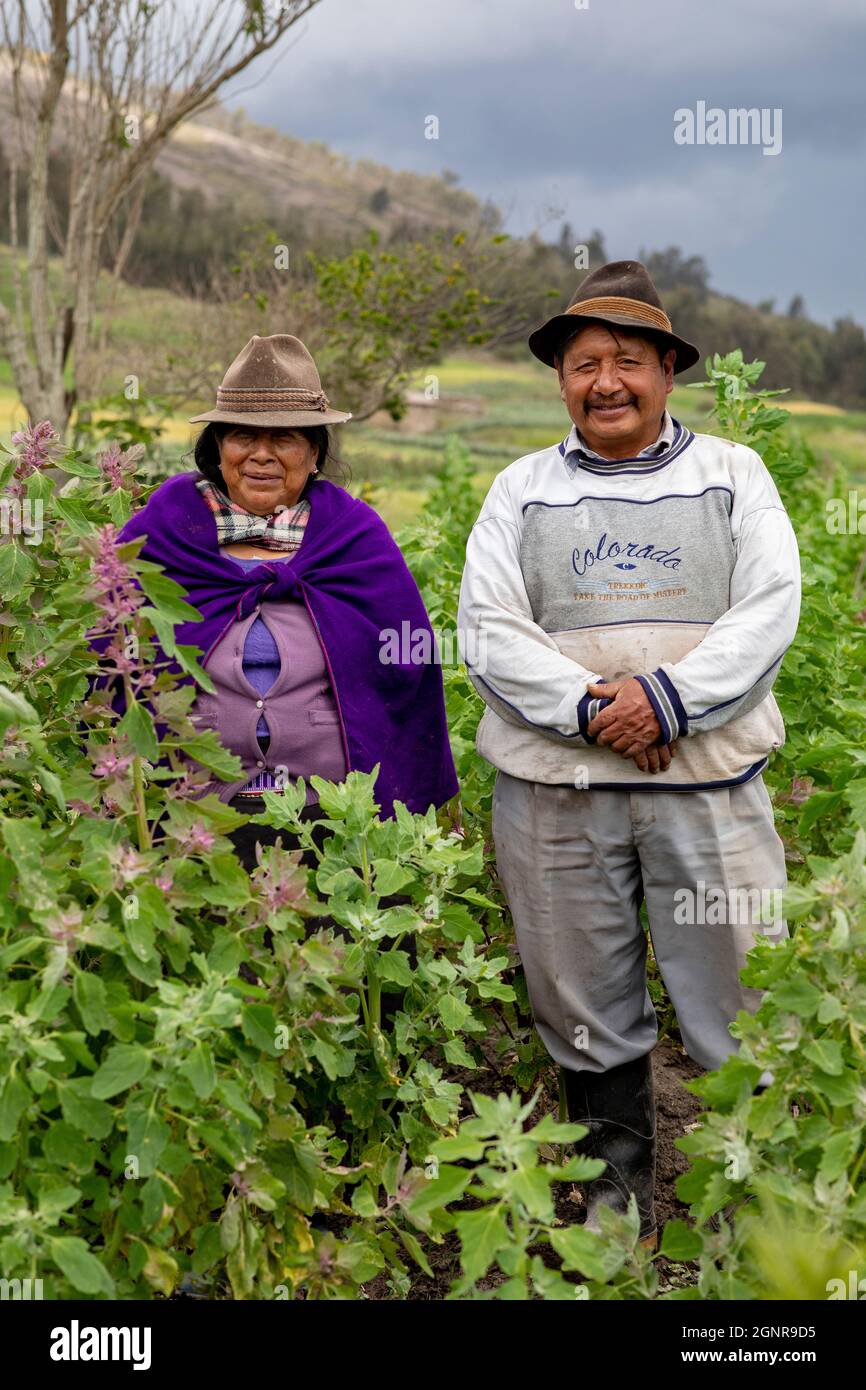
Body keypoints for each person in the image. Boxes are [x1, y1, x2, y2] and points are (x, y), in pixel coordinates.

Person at [457, 261, 801, 1247]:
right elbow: (485, 628)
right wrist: (592, 708)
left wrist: (664, 701)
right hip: (556, 790)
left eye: (624, 362)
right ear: (559, 381)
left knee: (740, 991)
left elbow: (766, 610)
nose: (603, 382)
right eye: (581, 365)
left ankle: (754, 1212)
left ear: (665, 371)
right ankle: (615, 1209)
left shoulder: (732, 475)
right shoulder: (520, 489)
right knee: (576, 997)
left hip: (706, 784)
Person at [90, 333, 458, 869]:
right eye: (243, 434)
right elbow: (103, 650)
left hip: (332, 820)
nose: (261, 454)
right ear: (218, 447)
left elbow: (406, 668)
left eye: (284, 437)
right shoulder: (164, 531)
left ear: (314, 453)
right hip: (192, 817)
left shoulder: (353, 539)